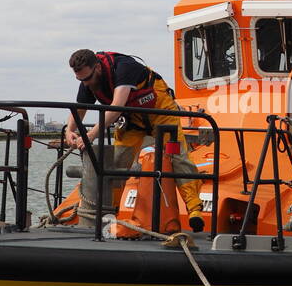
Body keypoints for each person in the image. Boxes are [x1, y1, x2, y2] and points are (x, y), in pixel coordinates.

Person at [65, 49, 205, 232]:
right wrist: (69, 130)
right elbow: (79, 109)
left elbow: (116, 107)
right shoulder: (88, 81)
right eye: (81, 80)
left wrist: (90, 135)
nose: (85, 84)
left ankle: (195, 209)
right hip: (132, 121)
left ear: (97, 67)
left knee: (177, 156)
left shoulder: (124, 67)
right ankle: (110, 212)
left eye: (87, 78)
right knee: (117, 162)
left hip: (160, 112)